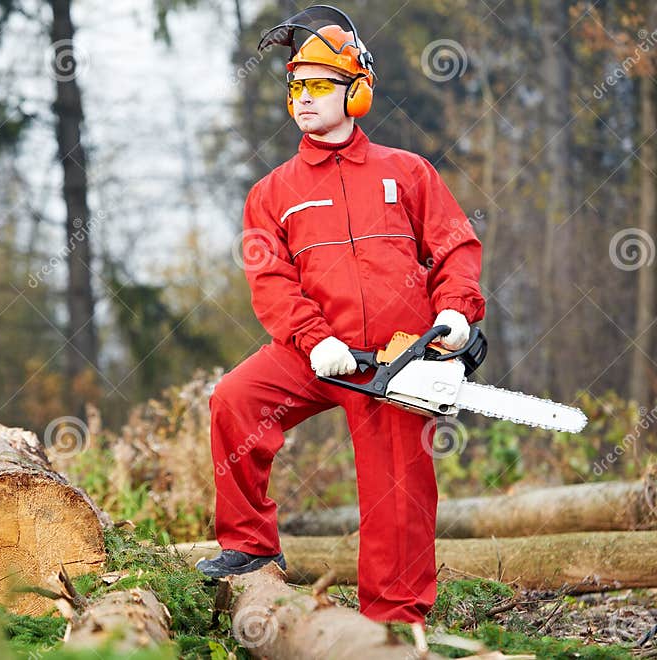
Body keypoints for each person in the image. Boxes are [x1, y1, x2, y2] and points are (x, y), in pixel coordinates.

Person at [195, 4, 486, 642]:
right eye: (296, 86)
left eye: (320, 86)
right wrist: (315, 338)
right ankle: (249, 545)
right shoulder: (272, 192)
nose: (304, 98)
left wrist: (454, 310)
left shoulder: (407, 172)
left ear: (357, 91)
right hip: (317, 353)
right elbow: (270, 281)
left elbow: (455, 247)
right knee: (236, 399)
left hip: (396, 361)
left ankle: (394, 622)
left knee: (398, 490)